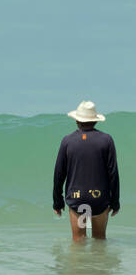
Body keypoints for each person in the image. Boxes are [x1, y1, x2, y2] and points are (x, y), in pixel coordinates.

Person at [53, 100, 120, 240]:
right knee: (100, 240)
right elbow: (113, 173)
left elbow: (59, 173)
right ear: (95, 121)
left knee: (78, 243)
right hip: (99, 198)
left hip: (77, 198)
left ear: (77, 120)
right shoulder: (107, 140)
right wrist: (115, 202)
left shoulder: (67, 141)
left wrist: (57, 202)